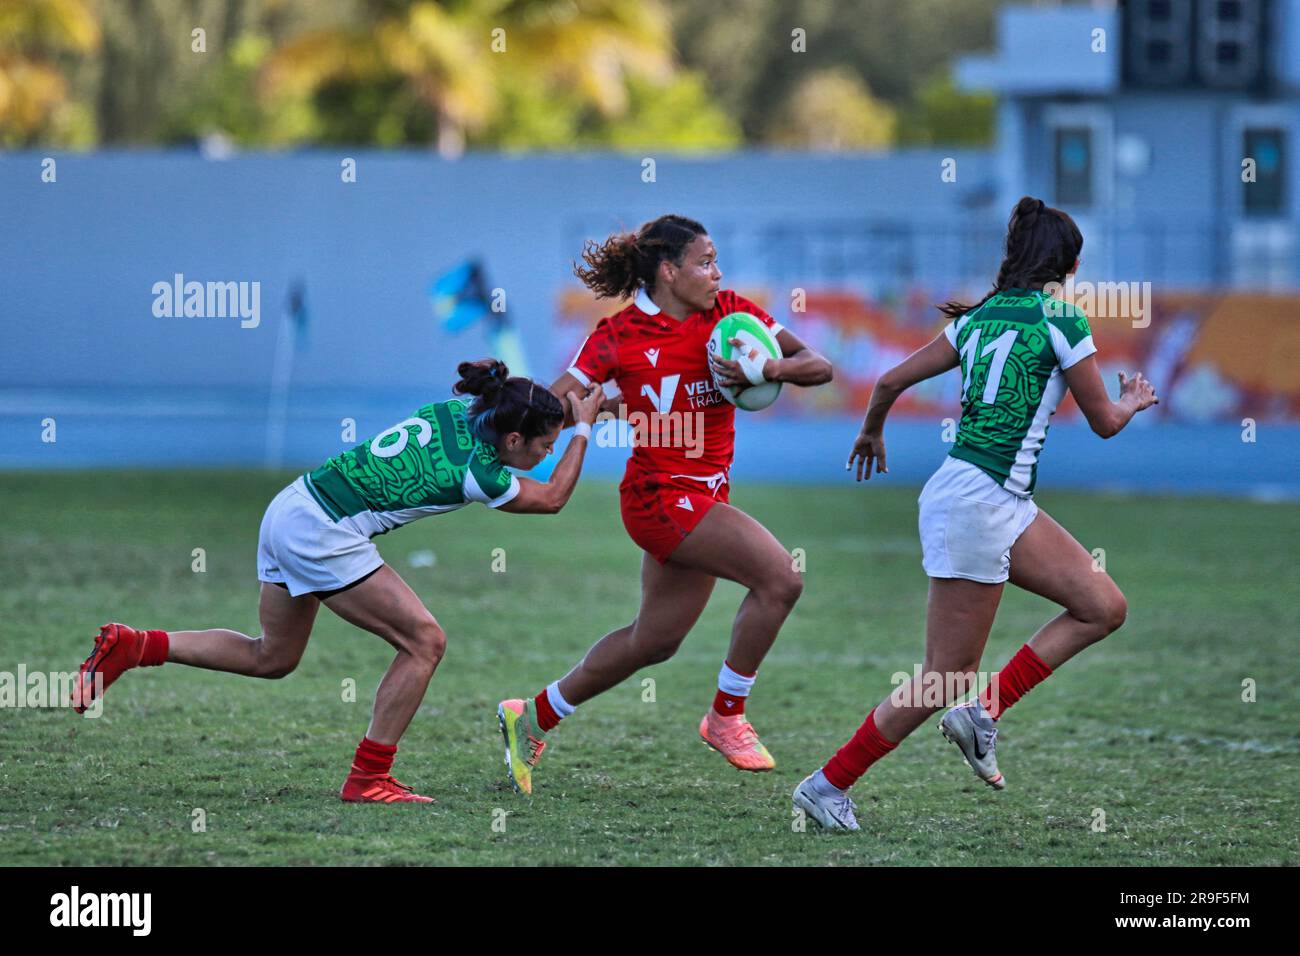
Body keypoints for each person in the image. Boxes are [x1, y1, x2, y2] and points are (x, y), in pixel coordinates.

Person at [70, 359, 604, 804]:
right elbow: (552, 498)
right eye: (544, 445)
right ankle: (369, 778)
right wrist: (583, 428)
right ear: (513, 438)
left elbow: (527, 407)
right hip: (324, 533)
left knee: (272, 657)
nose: (548, 453)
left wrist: (580, 403)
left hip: (292, 506)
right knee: (424, 642)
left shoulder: (463, 408)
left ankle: (136, 645)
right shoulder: (480, 474)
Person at [793, 197, 1159, 830]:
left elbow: (885, 383)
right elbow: (1103, 423)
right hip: (979, 501)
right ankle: (827, 785)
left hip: (995, 498)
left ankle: (983, 713)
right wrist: (1131, 399)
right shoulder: (1062, 319)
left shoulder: (979, 316)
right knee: (945, 673)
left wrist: (871, 433)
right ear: (1069, 265)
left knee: (1103, 607)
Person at [497, 213, 833, 794]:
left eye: (716, 261)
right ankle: (727, 715)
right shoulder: (618, 335)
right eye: (705, 262)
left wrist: (768, 367)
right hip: (657, 498)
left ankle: (531, 715)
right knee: (782, 579)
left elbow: (819, 366)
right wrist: (515, 421)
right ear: (668, 271)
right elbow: (557, 400)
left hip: (705, 497)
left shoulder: (732, 313)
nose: (716, 272)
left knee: (654, 641)